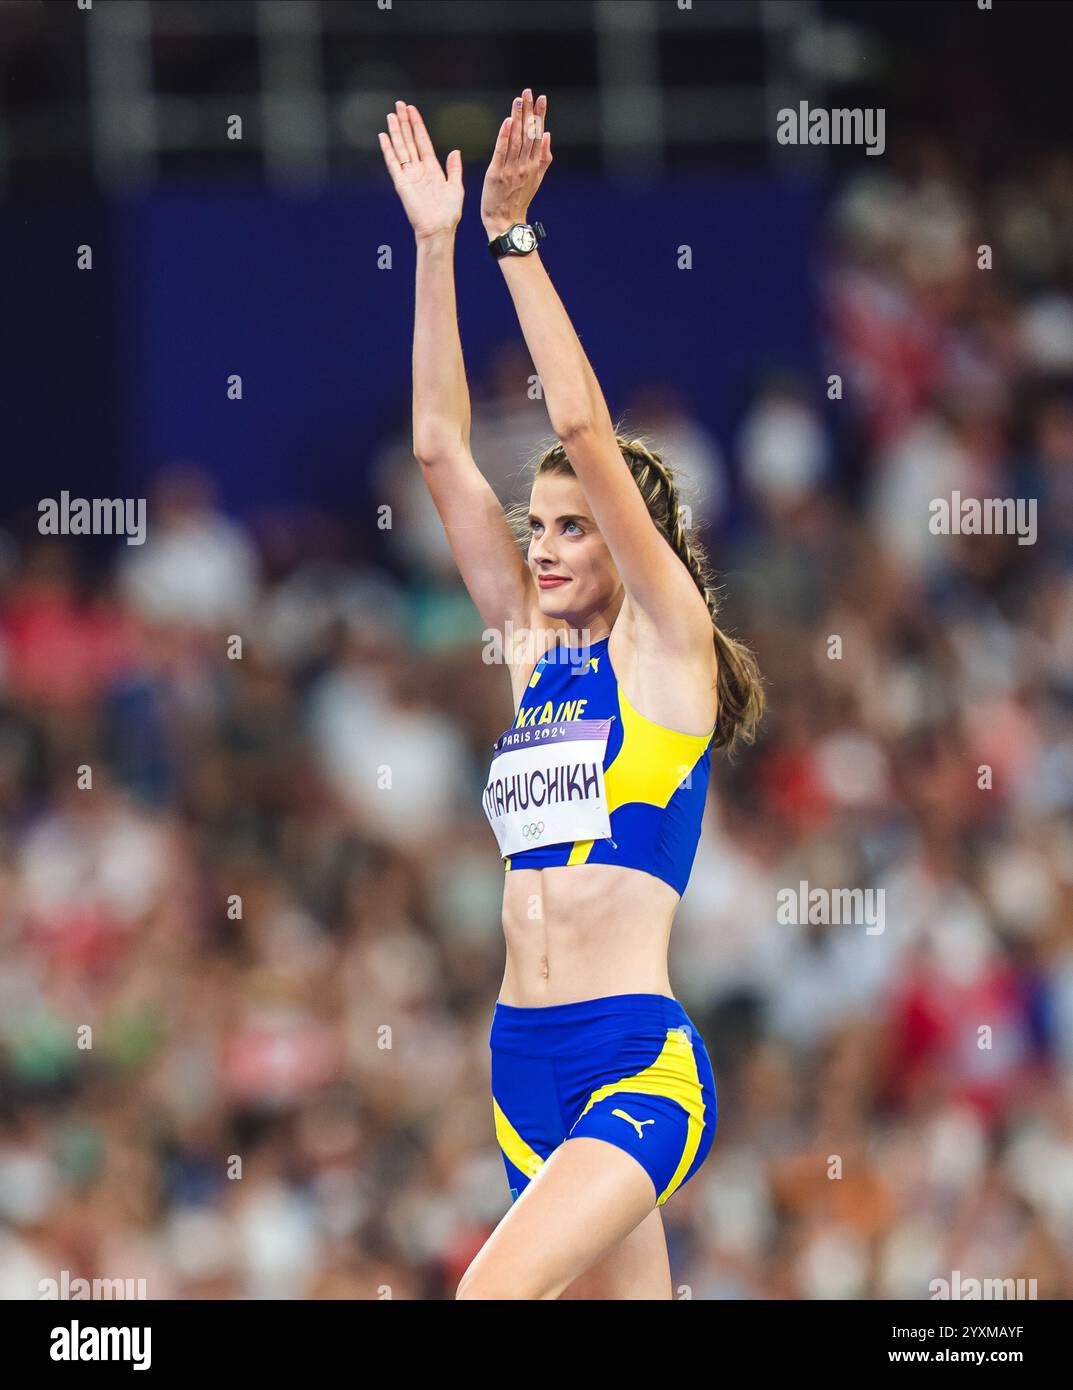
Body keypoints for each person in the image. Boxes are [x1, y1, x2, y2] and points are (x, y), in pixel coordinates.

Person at [378, 90, 764, 1300]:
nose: (540, 548)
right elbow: (441, 447)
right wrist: (435, 248)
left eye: (568, 529)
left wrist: (510, 238)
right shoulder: (529, 652)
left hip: (631, 1064)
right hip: (519, 1069)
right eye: (532, 528)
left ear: (627, 540)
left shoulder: (666, 650)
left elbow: (582, 420)